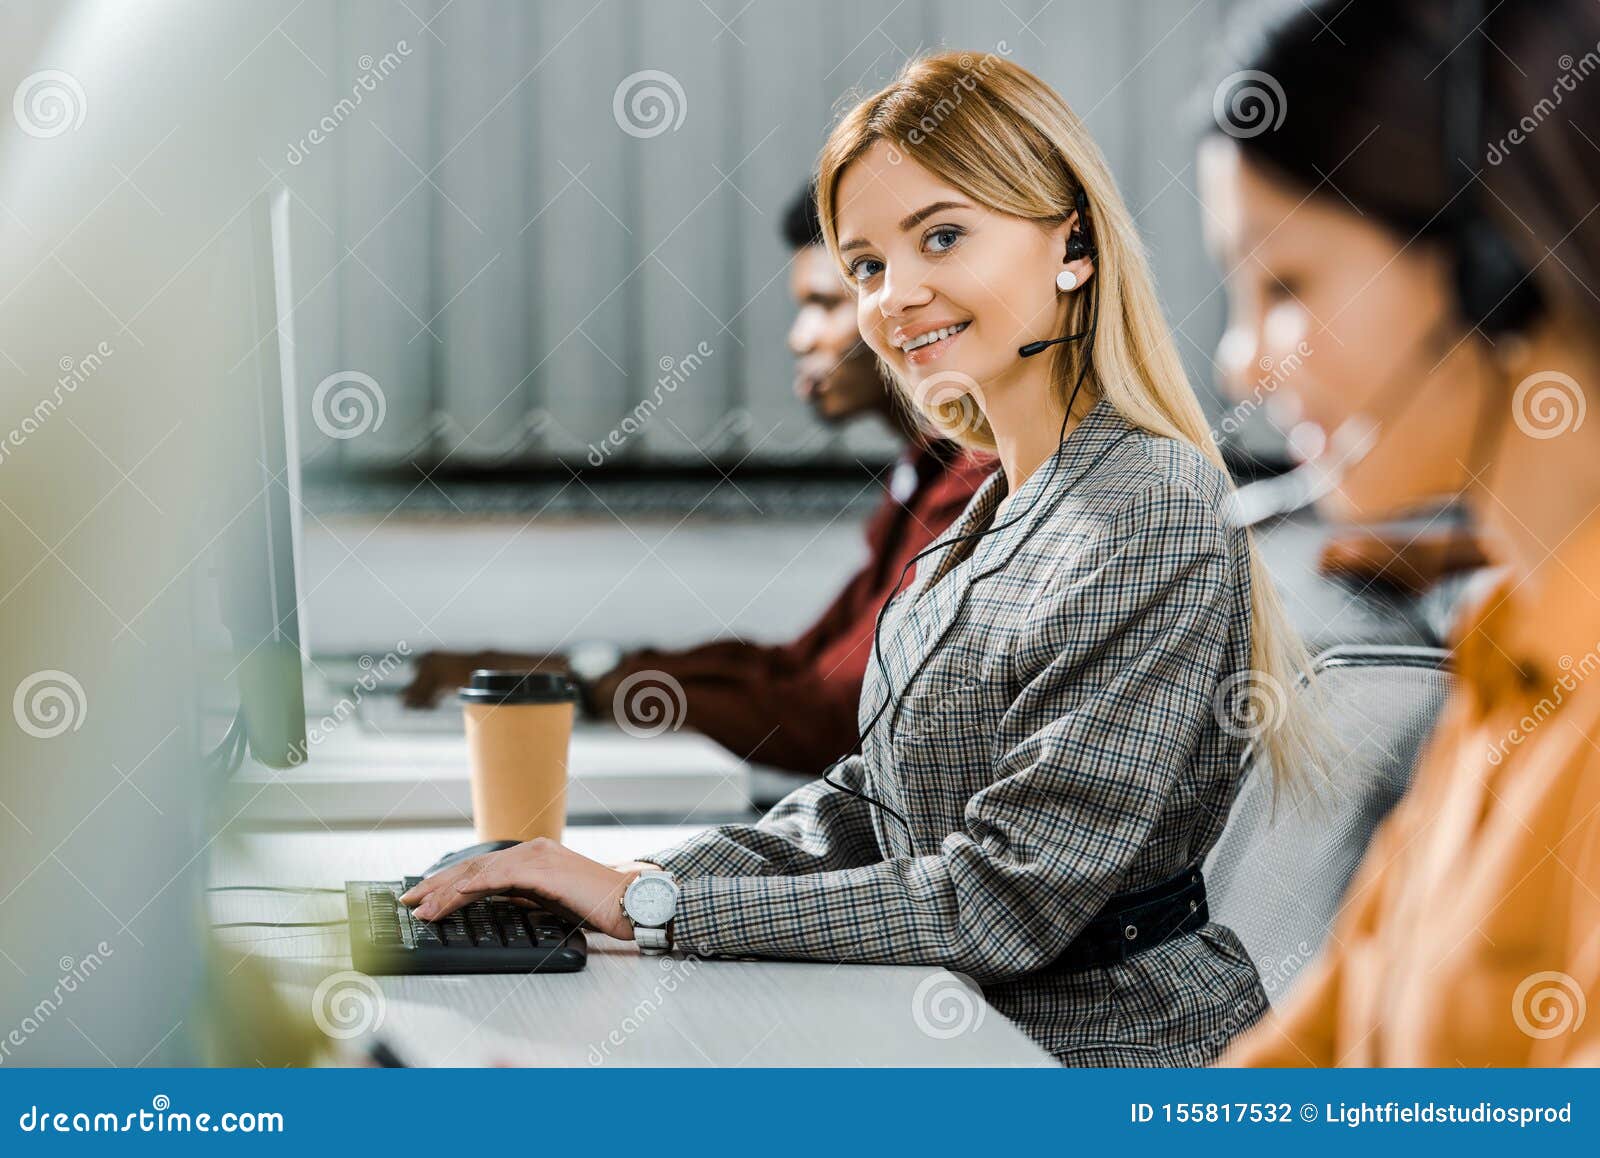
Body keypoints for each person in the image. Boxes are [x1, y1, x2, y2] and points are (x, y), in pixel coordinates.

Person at [400, 51, 1320, 1067]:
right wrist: (624, 880)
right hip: (958, 1022)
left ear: (1072, 245)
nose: (895, 296)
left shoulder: (1145, 507)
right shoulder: (995, 502)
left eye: (941, 237)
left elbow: (1006, 900)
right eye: (869, 265)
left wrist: (647, 905)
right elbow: (869, 808)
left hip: (1094, 1055)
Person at [1197, 0, 1600, 1065]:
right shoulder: (1503, 654)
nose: (1242, 364)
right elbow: (1311, 1065)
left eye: (1287, 284)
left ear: (1492, 273)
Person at [400, 184, 991, 775]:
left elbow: (834, 714)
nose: (799, 338)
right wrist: (577, 671)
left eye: (826, 304)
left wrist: (592, 687)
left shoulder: (976, 477)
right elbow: (800, 667)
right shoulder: (927, 468)